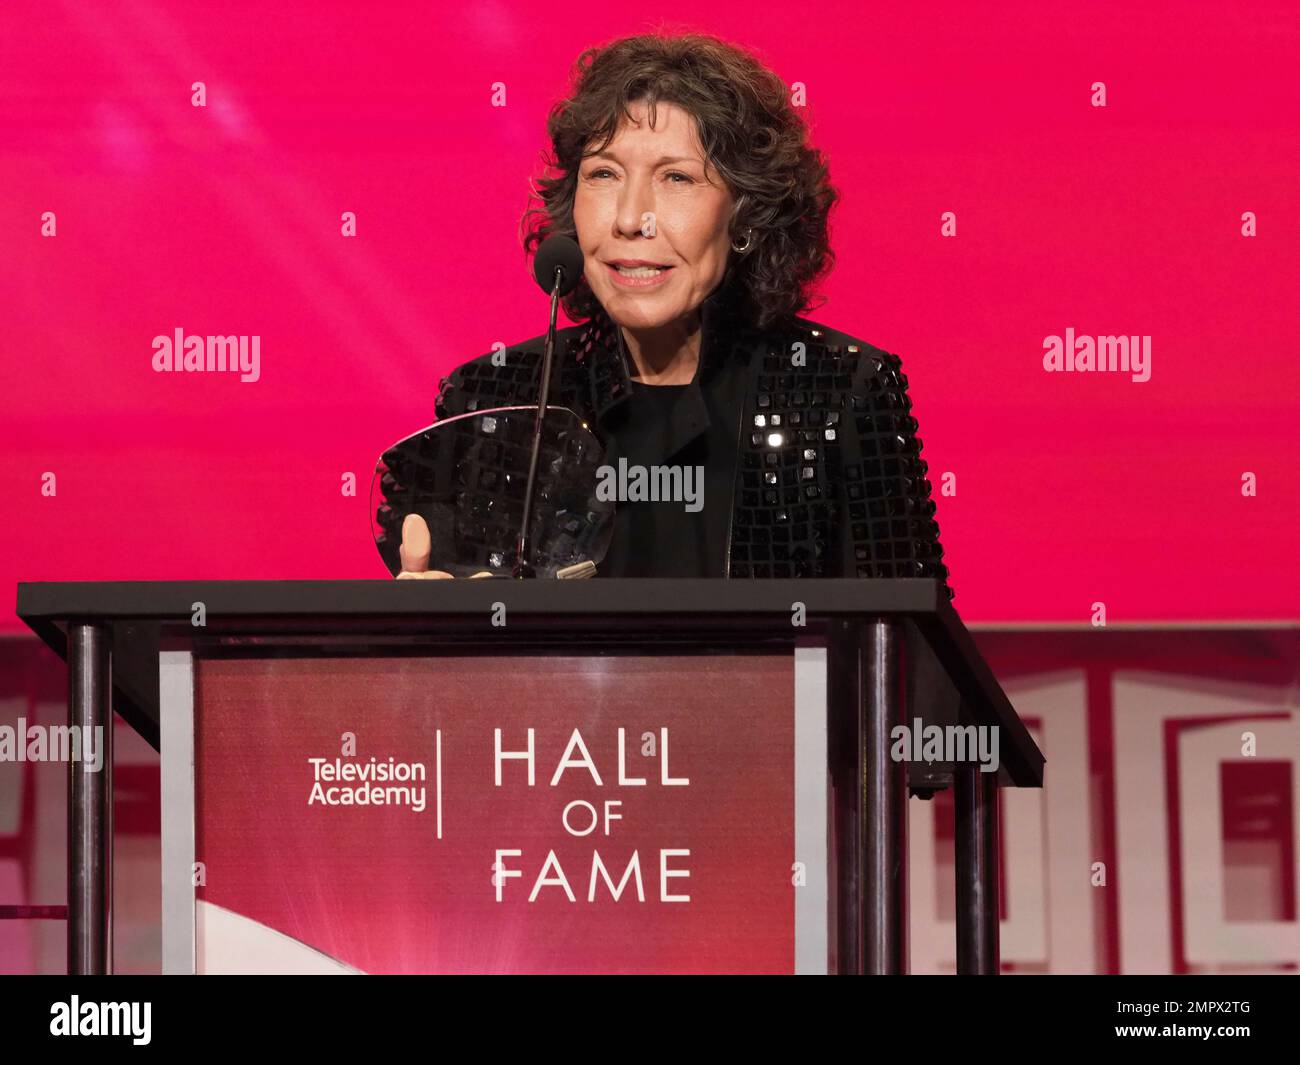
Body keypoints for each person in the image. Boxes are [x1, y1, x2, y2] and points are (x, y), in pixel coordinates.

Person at [379, 32, 950, 594]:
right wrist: (437, 637)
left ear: (746, 214)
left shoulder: (837, 391)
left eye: (676, 178)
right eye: (604, 174)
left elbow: (908, 663)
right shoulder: (492, 400)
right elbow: (461, 670)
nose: (632, 218)